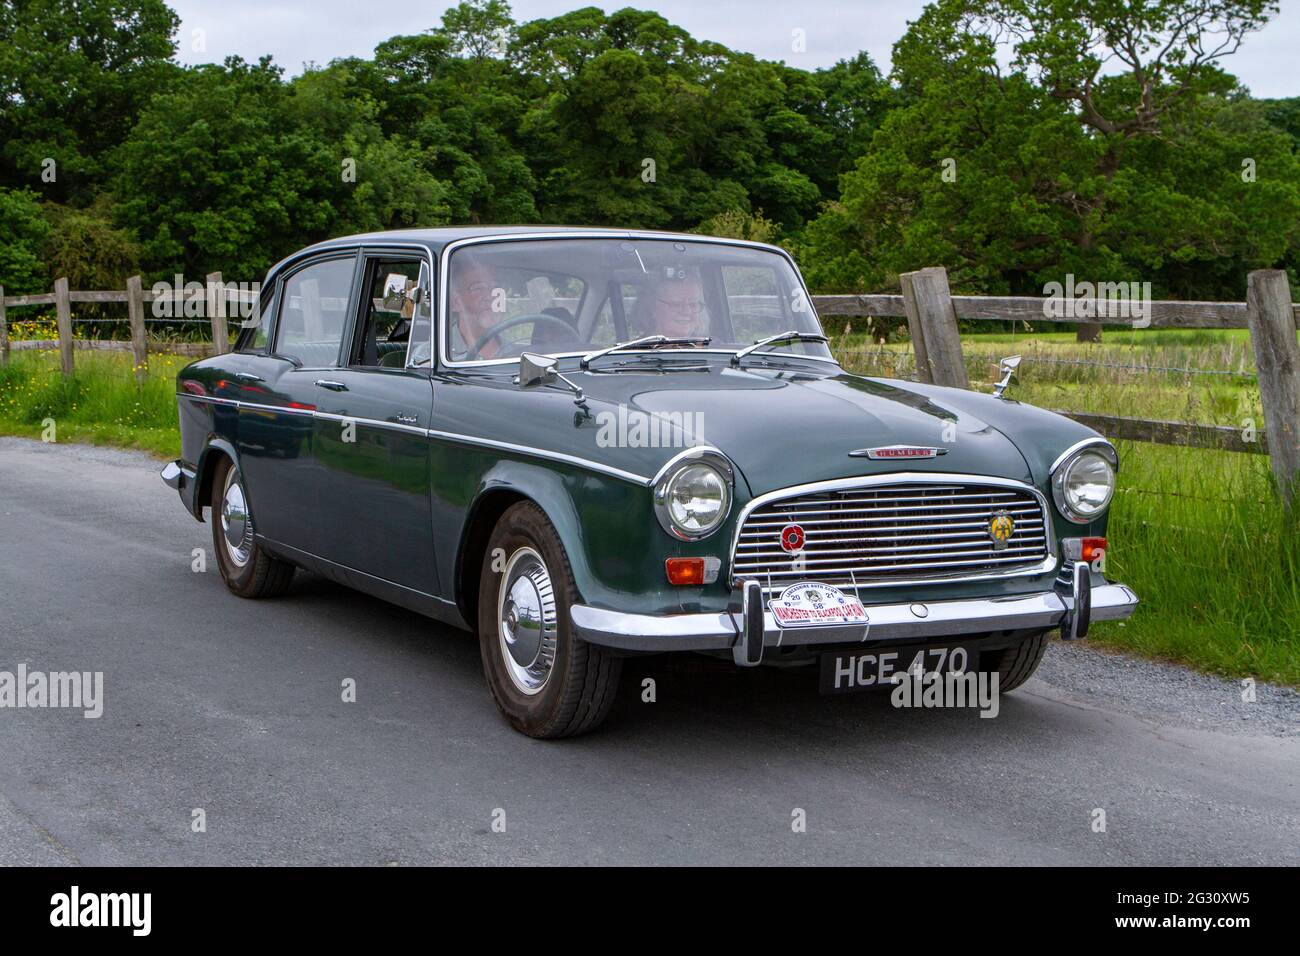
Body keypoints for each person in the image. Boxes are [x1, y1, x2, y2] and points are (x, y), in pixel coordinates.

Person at [448, 257, 503, 360]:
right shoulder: (431, 356)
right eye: (478, 288)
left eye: (495, 287)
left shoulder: (519, 351)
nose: (491, 296)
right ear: (456, 302)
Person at [636, 270, 710, 339]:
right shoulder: (636, 351)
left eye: (693, 304)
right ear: (653, 308)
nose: (687, 311)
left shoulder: (714, 348)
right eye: (676, 304)